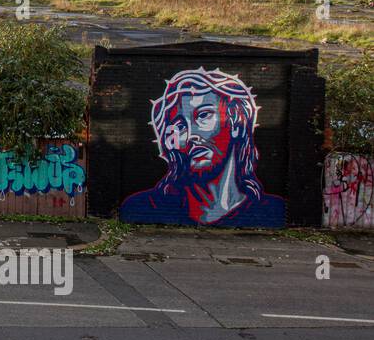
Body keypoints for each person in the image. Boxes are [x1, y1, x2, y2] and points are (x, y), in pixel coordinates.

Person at [119, 67, 284, 226]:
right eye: (180, 126)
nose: (191, 136)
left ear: (236, 121)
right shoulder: (141, 208)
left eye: (203, 115)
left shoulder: (273, 211)